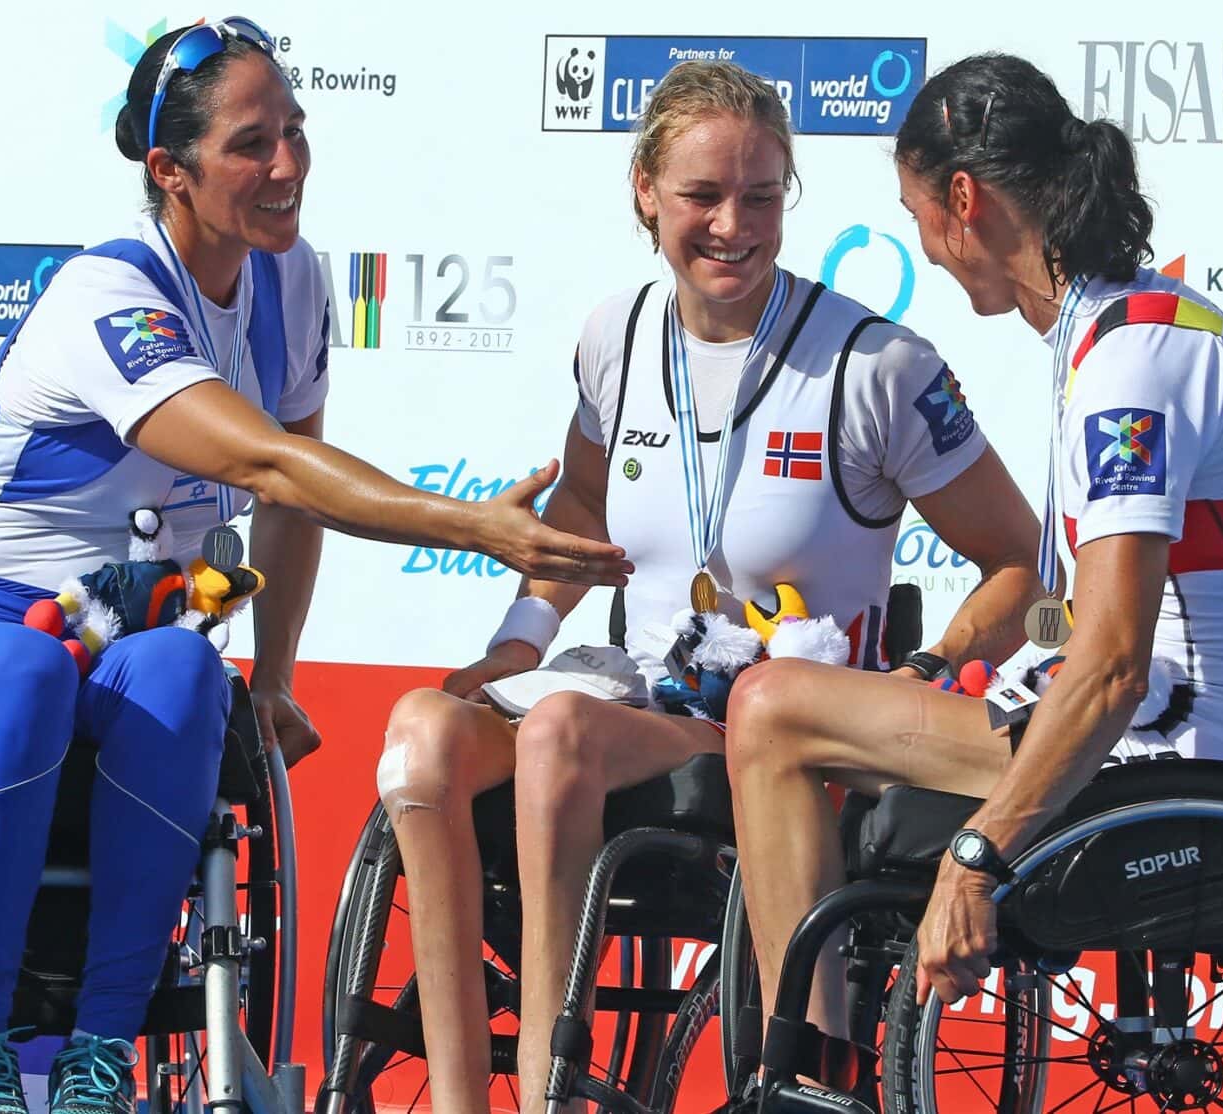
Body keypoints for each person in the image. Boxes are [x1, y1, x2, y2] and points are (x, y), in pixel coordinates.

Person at [0, 20, 629, 1114]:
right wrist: (467, 525)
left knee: (182, 674)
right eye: (253, 143)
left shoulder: (291, 279)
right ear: (170, 170)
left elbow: (285, 505)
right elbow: (269, 460)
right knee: (30, 676)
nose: (290, 165)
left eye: (296, 131)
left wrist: (275, 676)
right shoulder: (102, 297)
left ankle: (98, 1053)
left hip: (113, 632)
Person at [374, 60, 1042, 1114]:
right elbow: (583, 512)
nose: (735, 224)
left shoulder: (875, 365)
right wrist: (516, 637)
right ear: (646, 191)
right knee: (421, 732)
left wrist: (932, 664)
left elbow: (1020, 558)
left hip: (783, 730)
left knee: (554, 732)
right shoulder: (617, 335)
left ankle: (558, 1093)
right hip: (634, 696)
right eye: (702, 196)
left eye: (763, 196)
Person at [724, 49, 1223, 1035]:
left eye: (919, 219)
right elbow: (1073, 610)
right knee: (803, 722)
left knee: (770, 710)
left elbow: (1117, 661)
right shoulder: (1106, 331)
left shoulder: (1133, 360)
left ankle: (805, 1067)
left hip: (1177, 753)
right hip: (1155, 723)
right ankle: (823, 1054)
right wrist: (944, 657)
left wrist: (980, 853)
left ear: (966, 198)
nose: (926, 248)